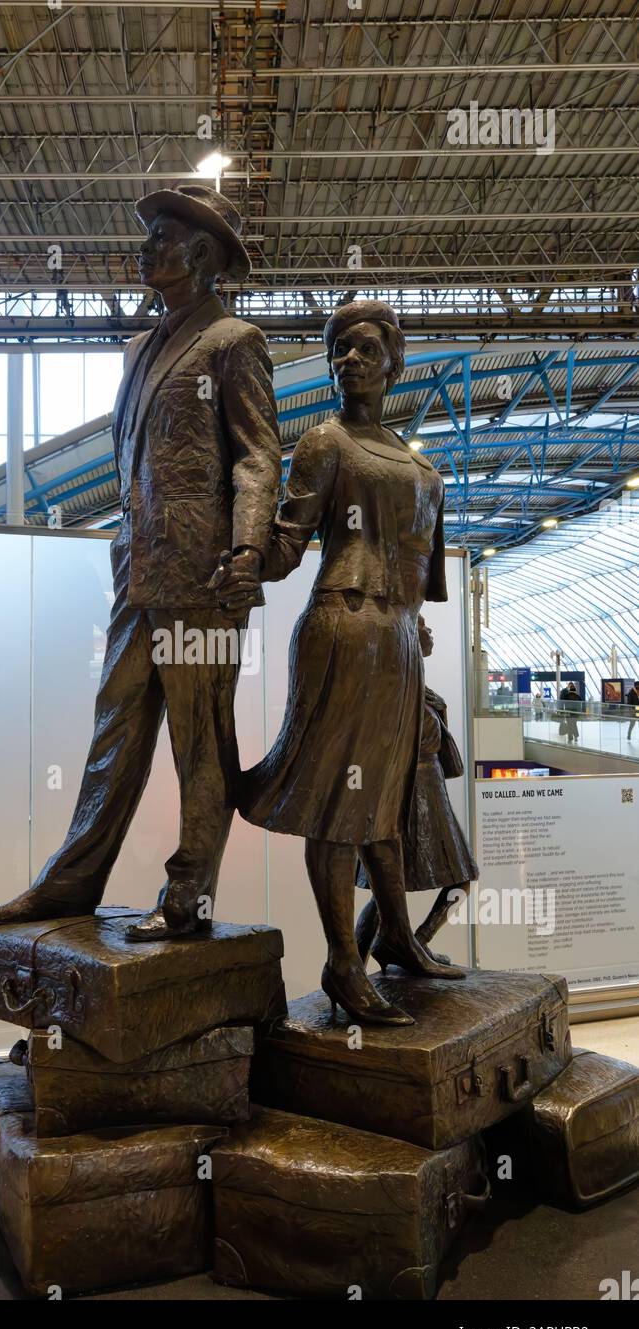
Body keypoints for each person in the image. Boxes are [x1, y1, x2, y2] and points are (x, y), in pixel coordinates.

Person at [0, 185, 282, 941]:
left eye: (162, 238)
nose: (144, 251)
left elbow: (256, 456)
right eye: (146, 239)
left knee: (200, 740)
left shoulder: (233, 342)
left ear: (204, 256)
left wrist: (247, 548)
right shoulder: (139, 350)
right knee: (113, 732)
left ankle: (189, 898)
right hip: (140, 574)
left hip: (206, 579)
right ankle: (71, 881)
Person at [215, 300, 464, 1028]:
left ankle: (392, 935)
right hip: (343, 626)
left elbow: (421, 570)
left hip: (397, 638)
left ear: (394, 363)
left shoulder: (424, 467)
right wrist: (244, 558)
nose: (347, 360)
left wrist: (414, 636)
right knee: (336, 801)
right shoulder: (324, 443)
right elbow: (291, 542)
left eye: (362, 349)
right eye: (338, 351)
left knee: (384, 797)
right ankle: (341, 962)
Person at [355, 615, 479, 968]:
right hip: (409, 794)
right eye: (423, 626)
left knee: (401, 888)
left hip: (429, 791)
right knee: (389, 888)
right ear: (408, 638)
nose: (430, 631)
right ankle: (360, 961)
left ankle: (403, 945)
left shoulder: (412, 683)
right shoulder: (390, 686)